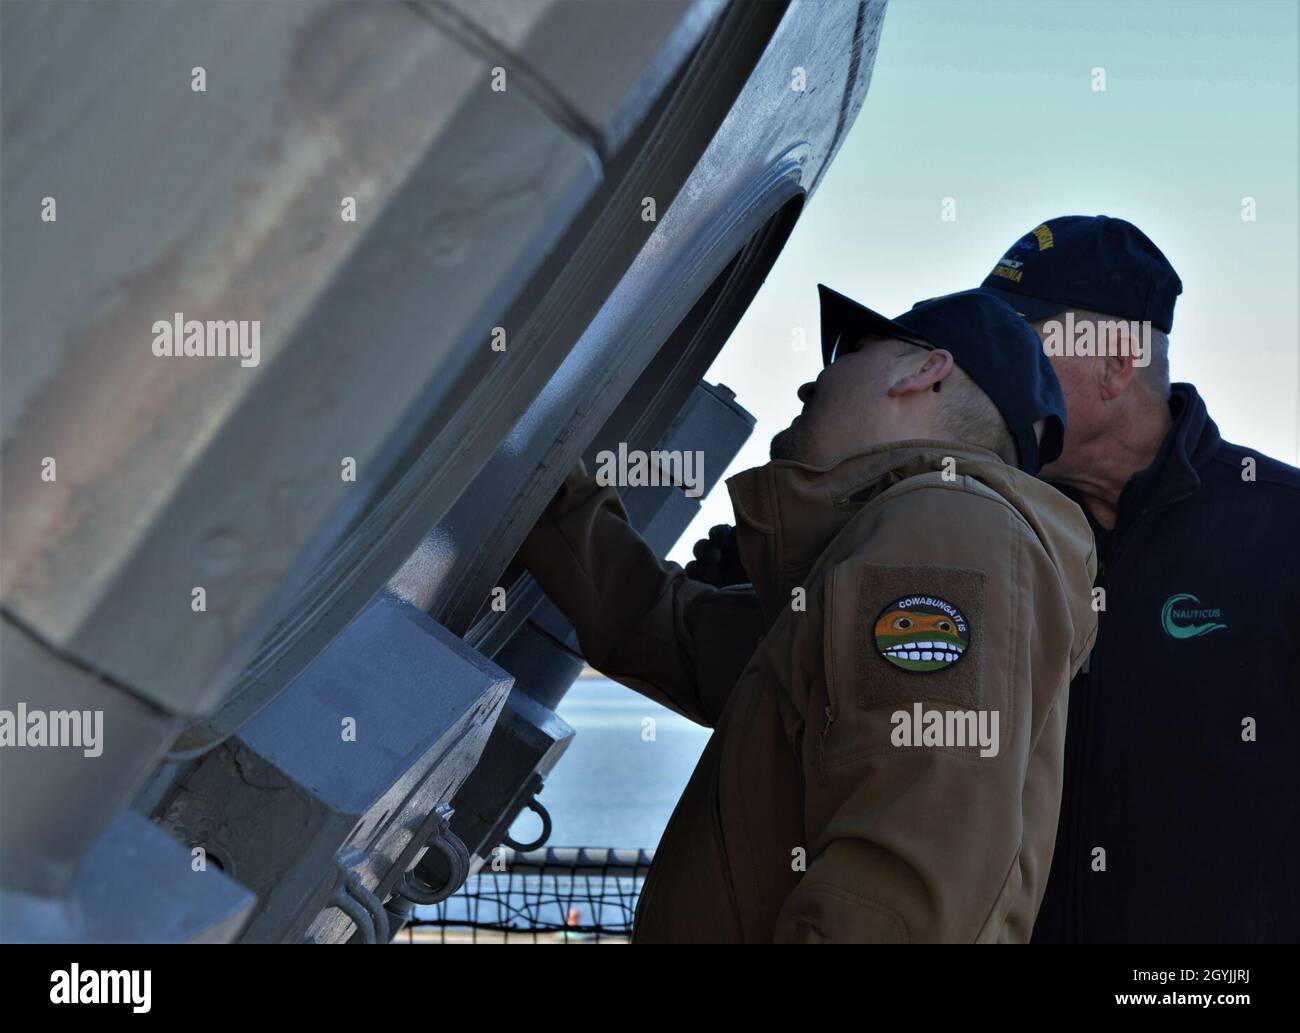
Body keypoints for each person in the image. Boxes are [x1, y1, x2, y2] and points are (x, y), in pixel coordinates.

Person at [518, 288, 1097, 942]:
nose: (809, 382)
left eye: (847, 350)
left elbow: (896, 900)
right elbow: (672, 633)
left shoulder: (945, 534)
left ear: (923, 371)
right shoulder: (890, 545)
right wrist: (540, 485)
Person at [977, 214, 1300, 942]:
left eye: (1018, 341)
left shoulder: (1283, 532)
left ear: (1116, 363)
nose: (987, 365)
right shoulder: (994, 528)